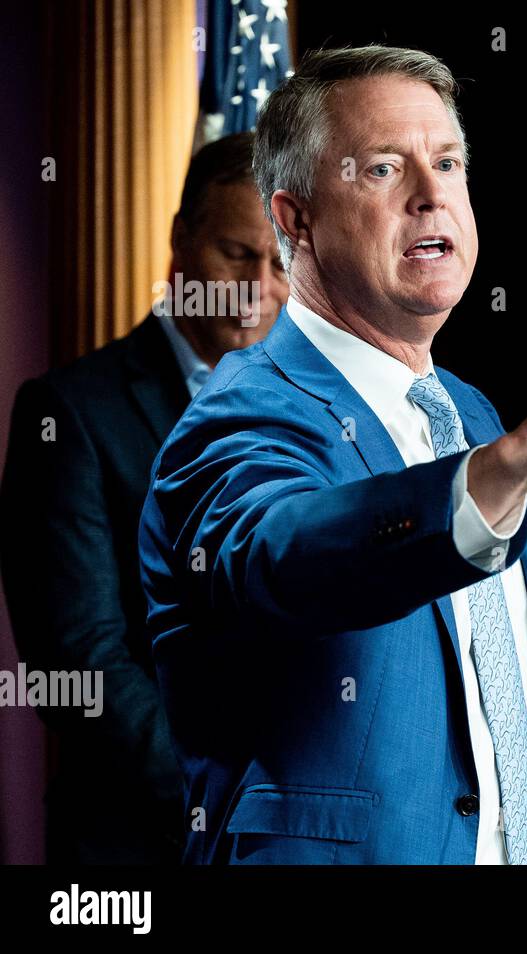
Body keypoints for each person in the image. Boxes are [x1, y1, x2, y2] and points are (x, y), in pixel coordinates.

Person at [139, 45, 527, 864]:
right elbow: (287, 559)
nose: (433, 197)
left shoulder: (465, 410)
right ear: (295, 219)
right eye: (386, 168)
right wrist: (520, 458)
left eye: (450, 162)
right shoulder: (241, 414)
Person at [0, 131, 287, 863]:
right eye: (237, 253)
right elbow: (79, 661)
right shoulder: (68, 413)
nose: (259, 288)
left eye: (282, 262)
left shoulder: (321, 409)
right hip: (140, 845)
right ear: (180, 244)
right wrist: (234, 804)